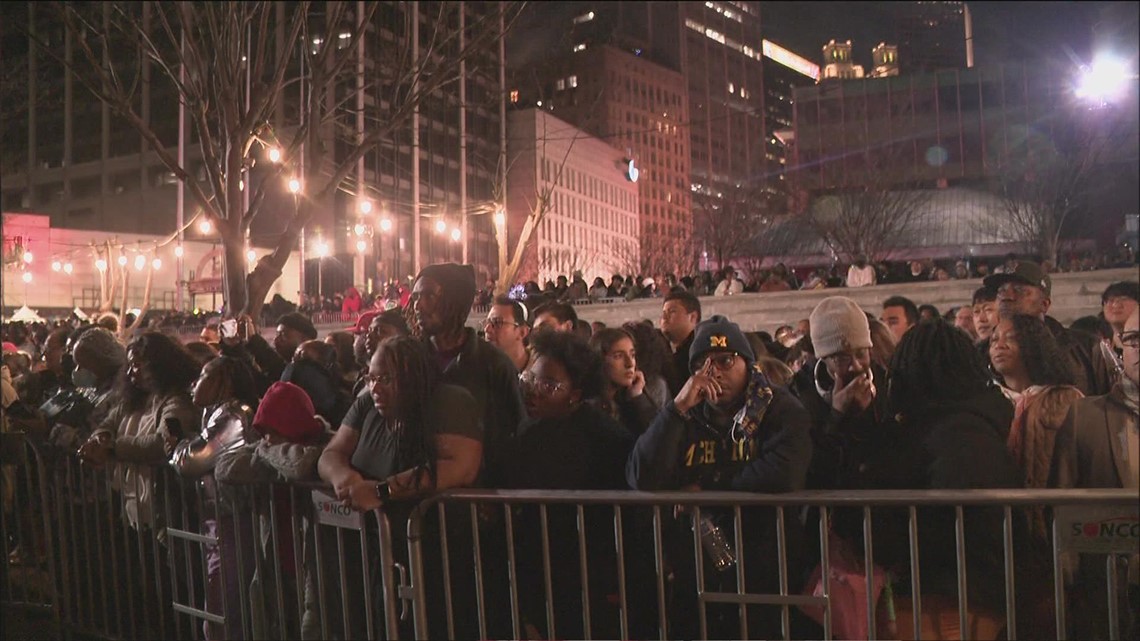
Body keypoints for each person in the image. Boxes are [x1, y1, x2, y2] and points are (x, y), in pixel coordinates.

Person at [627, 314, 812, 639]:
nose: (714, 372)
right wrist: (676, 409)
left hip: (765, 560)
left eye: (726, 361)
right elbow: (642, 475)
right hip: (697, 565)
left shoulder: (777, 408)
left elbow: (783, 471)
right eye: (703, 364)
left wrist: (710, 487)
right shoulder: (686, 413)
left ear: (748, 364)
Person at [318, 336, 483, 639]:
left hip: (433, 553)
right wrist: (346, 480)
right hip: (375, 553)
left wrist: (382, 490)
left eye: (385, 378)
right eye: (371, 377)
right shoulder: (367, 401)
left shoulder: (448, 400)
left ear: (412, 375)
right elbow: (331, 453)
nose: (375, 386)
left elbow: (462, 466)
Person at [885, 321, 1025, 641]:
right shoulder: (972, 420)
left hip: (952, 593)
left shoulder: (957, 432)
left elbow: (956, 516)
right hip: (968, 588)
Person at [495, 329, 636, 639]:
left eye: (548, 385)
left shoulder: (607, 438)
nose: (532, 391)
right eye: (530, 379)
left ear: (576, 392)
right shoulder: (527, 431)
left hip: (590, 574)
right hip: (536, 570)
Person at [77, 331, 201, 639]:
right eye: (130, 366)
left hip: (165, 514)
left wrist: (113, 449)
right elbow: (108, 423)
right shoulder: (132, 399)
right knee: (147, 598)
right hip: (133, 513)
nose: (132, 372)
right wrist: (101, 439)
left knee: (177, 597)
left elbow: (164, 443)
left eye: (140, 365)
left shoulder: (178, 400)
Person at [1052, 307, 1139, 639]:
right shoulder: (1084, 415)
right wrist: (1067, 571)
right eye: (1133, 340)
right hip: (1108, 581)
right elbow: (1062, 494)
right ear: (1120, 346)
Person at [167, 355, 260, 641]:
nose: (195, 384)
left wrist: (178, 446)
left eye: (204, 375)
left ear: (225, 381)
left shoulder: (233, 414)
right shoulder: (215, 413)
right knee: (218, 609)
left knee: (225, 610)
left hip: (236, 519)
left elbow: (193, 460)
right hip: (218, 518)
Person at [411, 262, 523, 483]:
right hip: (413, 495)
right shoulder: (408, 360)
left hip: (476, 499)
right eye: (415, 297)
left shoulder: (494, 365)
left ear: (456, 302)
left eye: (428, 296)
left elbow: (514, 438)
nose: (418, 306)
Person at [985, 260, 1113, 395]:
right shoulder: (980, 354)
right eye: (1001, 291)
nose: (1007, 297)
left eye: (1019, 290)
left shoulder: (1087, 347)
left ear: (1044, 304)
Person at [989, 314, 1083, 489]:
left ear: (1035, 345)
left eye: (1012, 339)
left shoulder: (1068, 399)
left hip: (1053, 508)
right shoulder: (988, 400)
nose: (999, 346)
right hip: (1004, 510)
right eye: (993, 340)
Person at [589, 328, 660, 436]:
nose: (630, 364)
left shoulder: (628, 400)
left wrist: (637, 396)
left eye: (632, 355)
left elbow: (659, 436)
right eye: (618, 356)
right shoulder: (590, 408)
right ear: (599, 360)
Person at [659, 290, 702, 397]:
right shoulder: (662, 349)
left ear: (692, 317)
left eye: (672, 312)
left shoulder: (700, 352)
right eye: (663, 313)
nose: (664, 318)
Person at [483, 296, 532, 373]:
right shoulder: (479, 368)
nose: (487, 329)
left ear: (522, 332)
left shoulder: (540, 371)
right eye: (487, 322)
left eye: (497, 322)